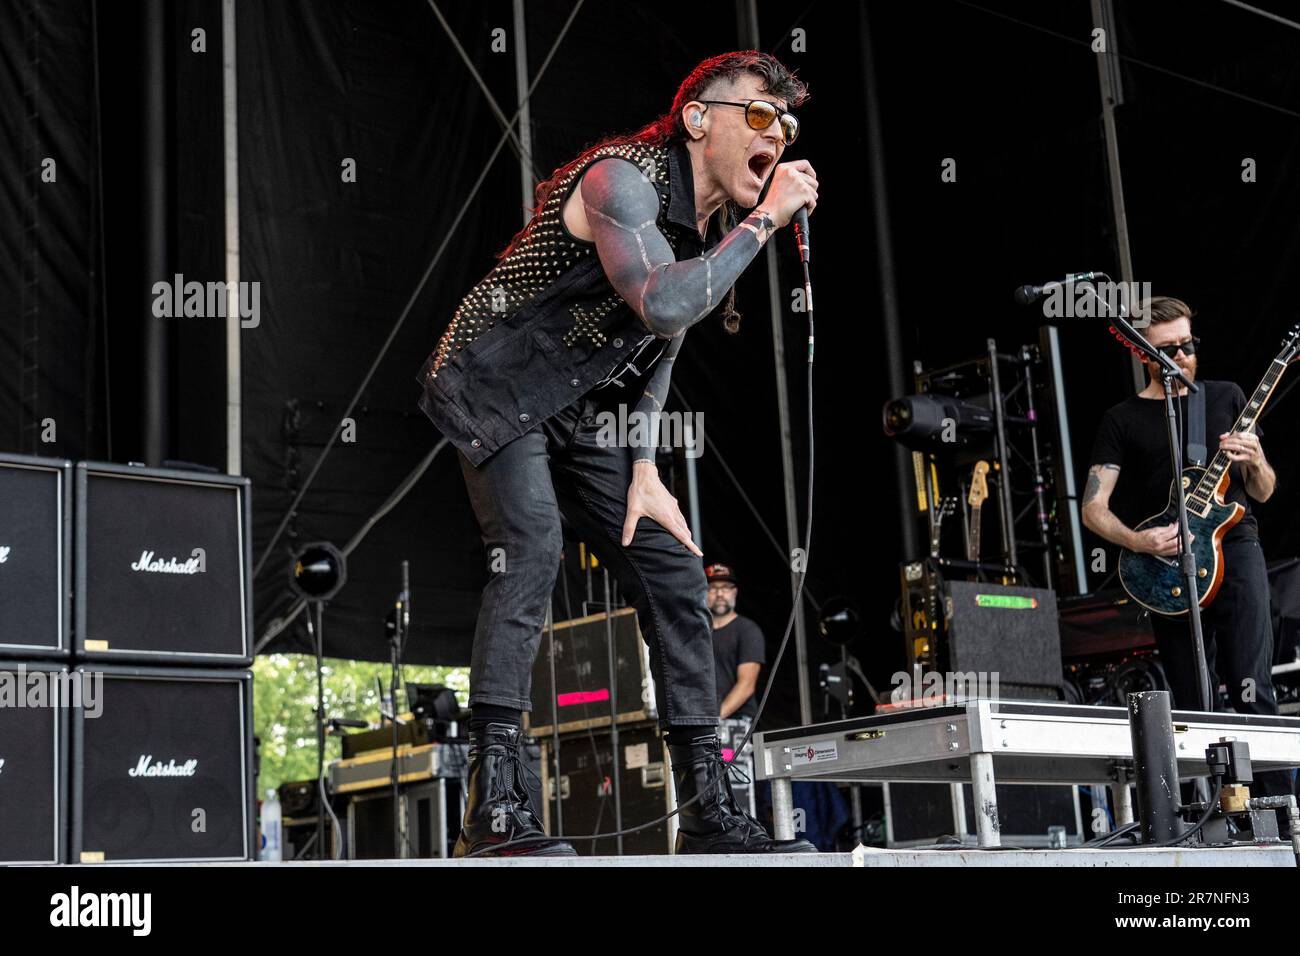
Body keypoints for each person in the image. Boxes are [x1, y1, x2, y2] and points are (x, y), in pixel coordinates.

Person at [414, 51, 818, 855]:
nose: (777, 134)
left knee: (673, 567)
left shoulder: (704, 226)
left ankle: (707, 810)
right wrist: (764, 222)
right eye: (760, 115)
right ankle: (493, 811)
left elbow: (659, 349)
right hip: (493, 379)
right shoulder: (619, 179)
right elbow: (665, 302)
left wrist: (644, 469)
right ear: (699, 119)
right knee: (529, 546)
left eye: (789, 122)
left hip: (581, 402)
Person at [1082, 296, 1293, 804]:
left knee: (1251, 687)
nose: (1183, 355)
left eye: (1188, 344)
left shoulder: (1224, 397)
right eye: (1168, 348)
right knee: (1193, 702)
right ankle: (1211, 812)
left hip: (1235, 548)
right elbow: (1094, 508)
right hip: (1167, 566)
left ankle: (1281, 816)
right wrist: (1139, 540)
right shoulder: (1121, 419)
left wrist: (1258, 459)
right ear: (1144, 355)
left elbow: (1261, 491)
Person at [704, 563, 765, 720]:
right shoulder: (697, 633)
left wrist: (716, 719)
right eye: (713, 588)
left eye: (725, 587)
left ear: (734, 592)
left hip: (738, 721)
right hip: (703, 722)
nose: (719, 594)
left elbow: (746, 685)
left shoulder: (747, 630)